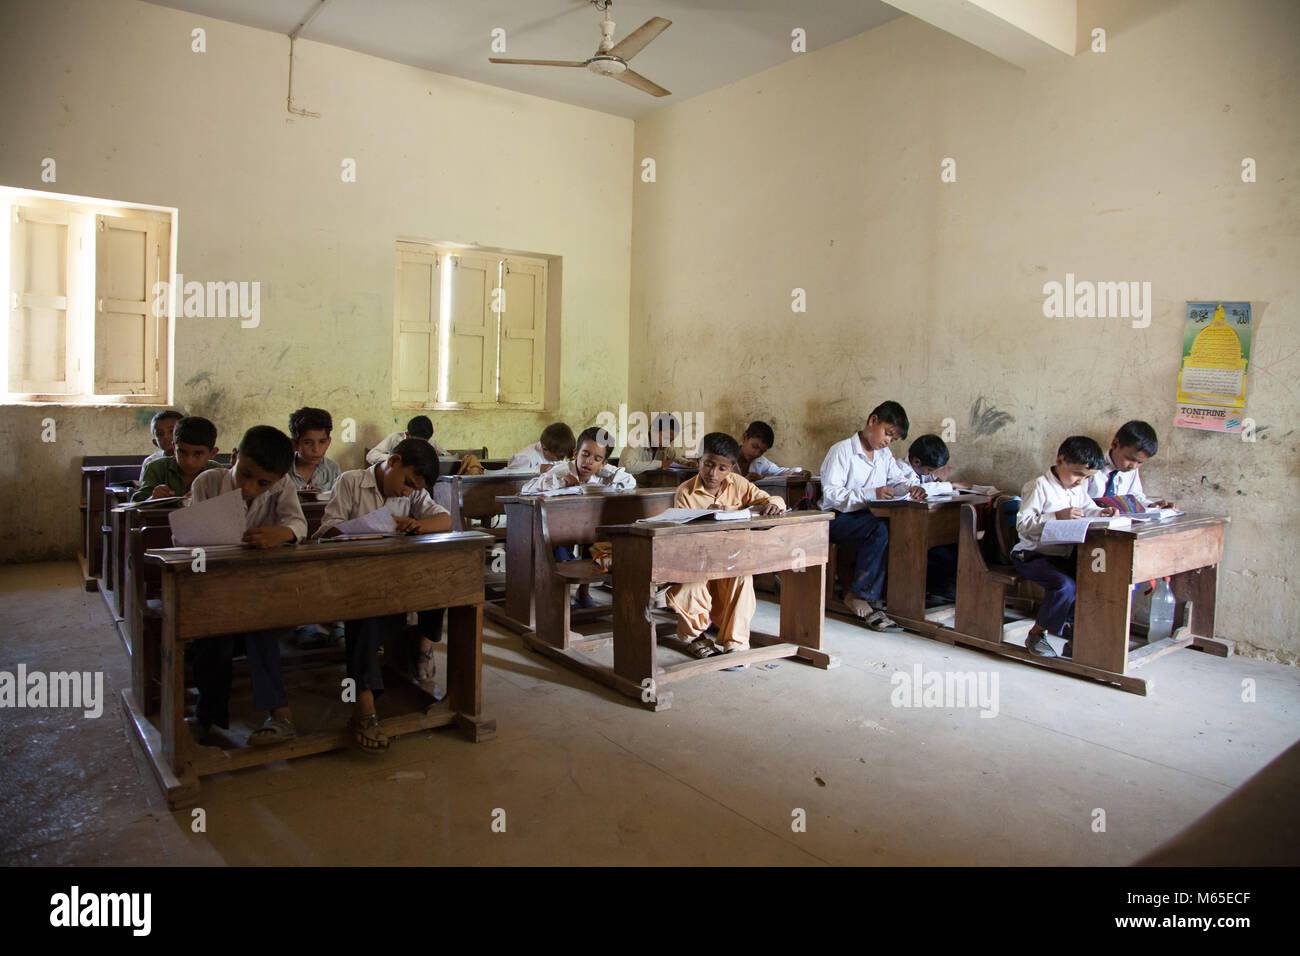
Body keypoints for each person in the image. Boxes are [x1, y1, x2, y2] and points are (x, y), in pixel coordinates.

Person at [316, 439, 451, 753]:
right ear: (394, 461)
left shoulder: (413, 491)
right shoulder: (350, 482)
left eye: (413, 488)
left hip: (394, 583)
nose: (406, 492)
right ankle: (364, 705)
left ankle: (422, 642)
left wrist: (418, 524)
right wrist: (363, 529)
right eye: (406, 483)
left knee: (442, 575)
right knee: (364, 616)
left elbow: (444, 519)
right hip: (354, 584)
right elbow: (326, 531)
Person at [187, 425, 307, 746]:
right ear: (235, 457)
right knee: (214, 638)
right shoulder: (207, 483)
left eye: (263, 483)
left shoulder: (283, 488)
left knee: (260, 624)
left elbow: (298, 524)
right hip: (213, 586)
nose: (250, 488)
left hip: (257, 589)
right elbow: (193, 538)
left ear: (279, 479)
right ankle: (207, 715)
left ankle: (279, 715)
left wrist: (281, 533)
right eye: (245, 475)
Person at [665, 432, 785, 664]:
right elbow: (682, 537)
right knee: (693, 583)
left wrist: (772, 504)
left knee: (743, 577)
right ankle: (695, 637)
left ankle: (735, 644)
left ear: (731, 468)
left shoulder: (739, 484)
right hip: (697, 561)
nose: (713, 473)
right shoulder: (686, 492)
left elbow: (771, 499)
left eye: (722, 468)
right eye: (708, 465)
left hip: (729, 558)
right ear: (699, 460)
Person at [817, 401, 923, 631]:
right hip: (836, 518)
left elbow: (898, 480)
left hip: (866, 517)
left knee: (899, 527)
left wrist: (911, 488)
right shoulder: (842, 451)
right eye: (887, 433)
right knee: (879, 529)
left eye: (893, 439)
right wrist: (870, 494)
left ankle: (889, 594)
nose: (887, 441)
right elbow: (832, 494)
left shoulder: (883, 456)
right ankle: (857, 595)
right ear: (873, 421)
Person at [1011, 435, 1118, 658]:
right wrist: (1055, 516)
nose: (1081, 481)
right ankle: (1037, 634)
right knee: (1064, 586)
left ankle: (1075, 637)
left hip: (1062, 555)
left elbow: (1088, 508)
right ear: (1061, 461)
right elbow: (1022, 525)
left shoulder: (1078, 487)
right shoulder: (1039, 486)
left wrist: (1102, 512)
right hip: (1031, 554)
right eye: (1078, 474)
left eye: (1086, 477)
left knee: (1092, 580)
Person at [131, 416, 224, 501]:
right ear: (174, 448)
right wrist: (153, 498)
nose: (189, 461)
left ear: (212, 453)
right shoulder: (156, 468)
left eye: (197, 454)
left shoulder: (216, 472)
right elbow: (135, 506)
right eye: (182, 452)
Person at [736, 420, 809, 479]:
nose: (757, 454)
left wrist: (798, 473)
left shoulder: (760, 462)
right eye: (754, 446)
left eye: (762, 451)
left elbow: (780, 472)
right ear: (744, 437)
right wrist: (745, 482)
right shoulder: (726, 458)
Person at [365, 415, 448, 464]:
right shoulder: (395, 438)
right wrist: (395, 458)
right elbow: (371, 456)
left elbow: (447, 456)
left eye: (425, 442)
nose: (421, 445)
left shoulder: (430, 441)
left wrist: (440, 456)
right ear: (408, 434)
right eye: (418, 441)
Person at [506, 422, 575, 470]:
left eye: (564, 456)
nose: (562, 460)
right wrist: (538, 469)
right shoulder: (526, 457)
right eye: (559, 457)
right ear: (544, 448)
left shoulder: (558, 450)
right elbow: (509, 474)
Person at [140, 410, 183, 476]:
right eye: (160, 433)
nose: (166, 436)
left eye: (171, 431)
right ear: (155, 442)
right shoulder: (151, 462)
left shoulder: (196, 460)